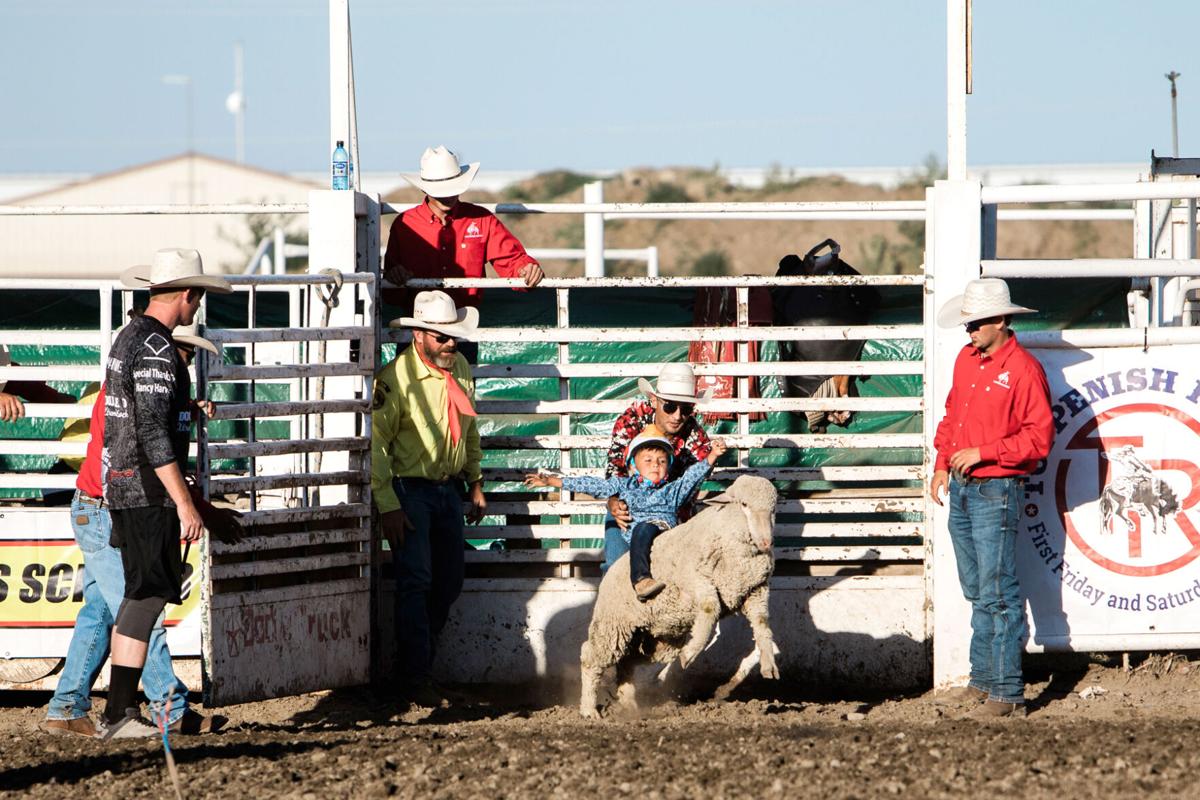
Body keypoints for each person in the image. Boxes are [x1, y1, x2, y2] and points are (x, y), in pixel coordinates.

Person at [42, 325, 229, 738]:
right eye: (182, 355)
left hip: (99, 507)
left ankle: (66, 706)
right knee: (142, 607)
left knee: (103, 612)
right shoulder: (138, 390)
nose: (181, 366)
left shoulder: (128, 389)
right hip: (109, 509)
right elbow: (146, 444)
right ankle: (170, 708)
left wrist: (185, 409)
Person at [101, 248, 233, 738]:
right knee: (148, 593)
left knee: (140, 593)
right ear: (187, 294)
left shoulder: (128, 338)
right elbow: (154, 432)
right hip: (148, 490)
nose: (195, 308)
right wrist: (183, 501)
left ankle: (117, 709)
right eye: (196, 298)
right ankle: (118, 713)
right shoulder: (156, 347)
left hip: (123, 483)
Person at [929, 278, 1054, 719]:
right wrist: (941, 464)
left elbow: (1039, 438)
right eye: (967, 324)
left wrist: (984, 452)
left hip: (996, 487)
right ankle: (985, 680)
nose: (969, 332)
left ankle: (1005, 691)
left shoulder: (1023, 370)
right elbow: (951, 416)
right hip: (967, 487)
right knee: (979, 588)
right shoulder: (968, 361)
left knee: (995, 589)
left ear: (1000, 320)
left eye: (976, 323)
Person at [371, 290, 487, 707]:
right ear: (419, 335)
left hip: (445, 489)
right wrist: (389, 505)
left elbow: (469, 430)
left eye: (452, 336)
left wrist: (474, 481)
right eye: (441, 337)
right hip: (409, 490)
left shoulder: (460, 371)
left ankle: (418, 673)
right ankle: (415, 676)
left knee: (447, 580)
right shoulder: (393, 380)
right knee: (419, 582)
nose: (450, 343)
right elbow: (376, 446)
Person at [383, 145, 544, 363]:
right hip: (429, 328)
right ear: (425, 190)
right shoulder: (404, 225)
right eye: (443, 189)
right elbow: (391, 287)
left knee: (452, 391)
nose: (449, 195)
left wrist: (526, 268)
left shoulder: (480, 219)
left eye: (453, 187)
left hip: (456, 330)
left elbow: (513, 261)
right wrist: (395, 277)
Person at [527, 426, 727, 600]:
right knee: (635, 533)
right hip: (636, 538)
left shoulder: (673, 490)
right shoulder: (624, 486)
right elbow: (594, 485)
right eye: (647, 460)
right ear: (633, 465)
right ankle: (629, 586)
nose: (655, 465)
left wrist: (713, 456)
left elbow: (693, 475)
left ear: (669, 466)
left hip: (666, 536)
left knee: (661, 532)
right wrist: (554, 481)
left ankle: (657, 581)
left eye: (662, 460)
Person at [601, 363, 714, 572]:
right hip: (628, 506)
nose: (678, 415)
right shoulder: (631, 420)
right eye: (670, 406)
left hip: (670, 513)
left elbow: (686, 496)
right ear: (654, 400)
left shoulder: (698, 442)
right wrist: (614, 501)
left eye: (686, 408)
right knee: (615, 567)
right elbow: (615, 467)